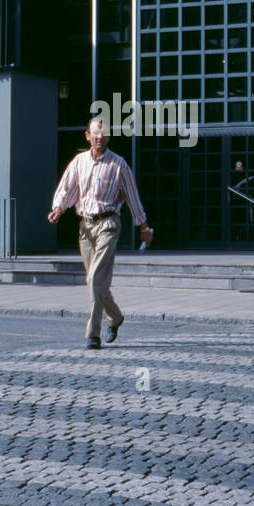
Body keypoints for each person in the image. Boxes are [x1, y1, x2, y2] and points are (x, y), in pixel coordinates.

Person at [48, 116, 154, 349]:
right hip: (85, 227)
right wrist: (58, 208)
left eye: (104, 133)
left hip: (108, 224)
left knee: (94, 278)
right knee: (97, 282)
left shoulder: (119, 165)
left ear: (109, 136)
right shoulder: (79, 162)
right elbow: (67, 188)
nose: (99, 137)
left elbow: (132, 197)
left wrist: (143, 227)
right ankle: (115, 317)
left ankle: (92, 334)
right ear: (88, 136)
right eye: (95, 133)